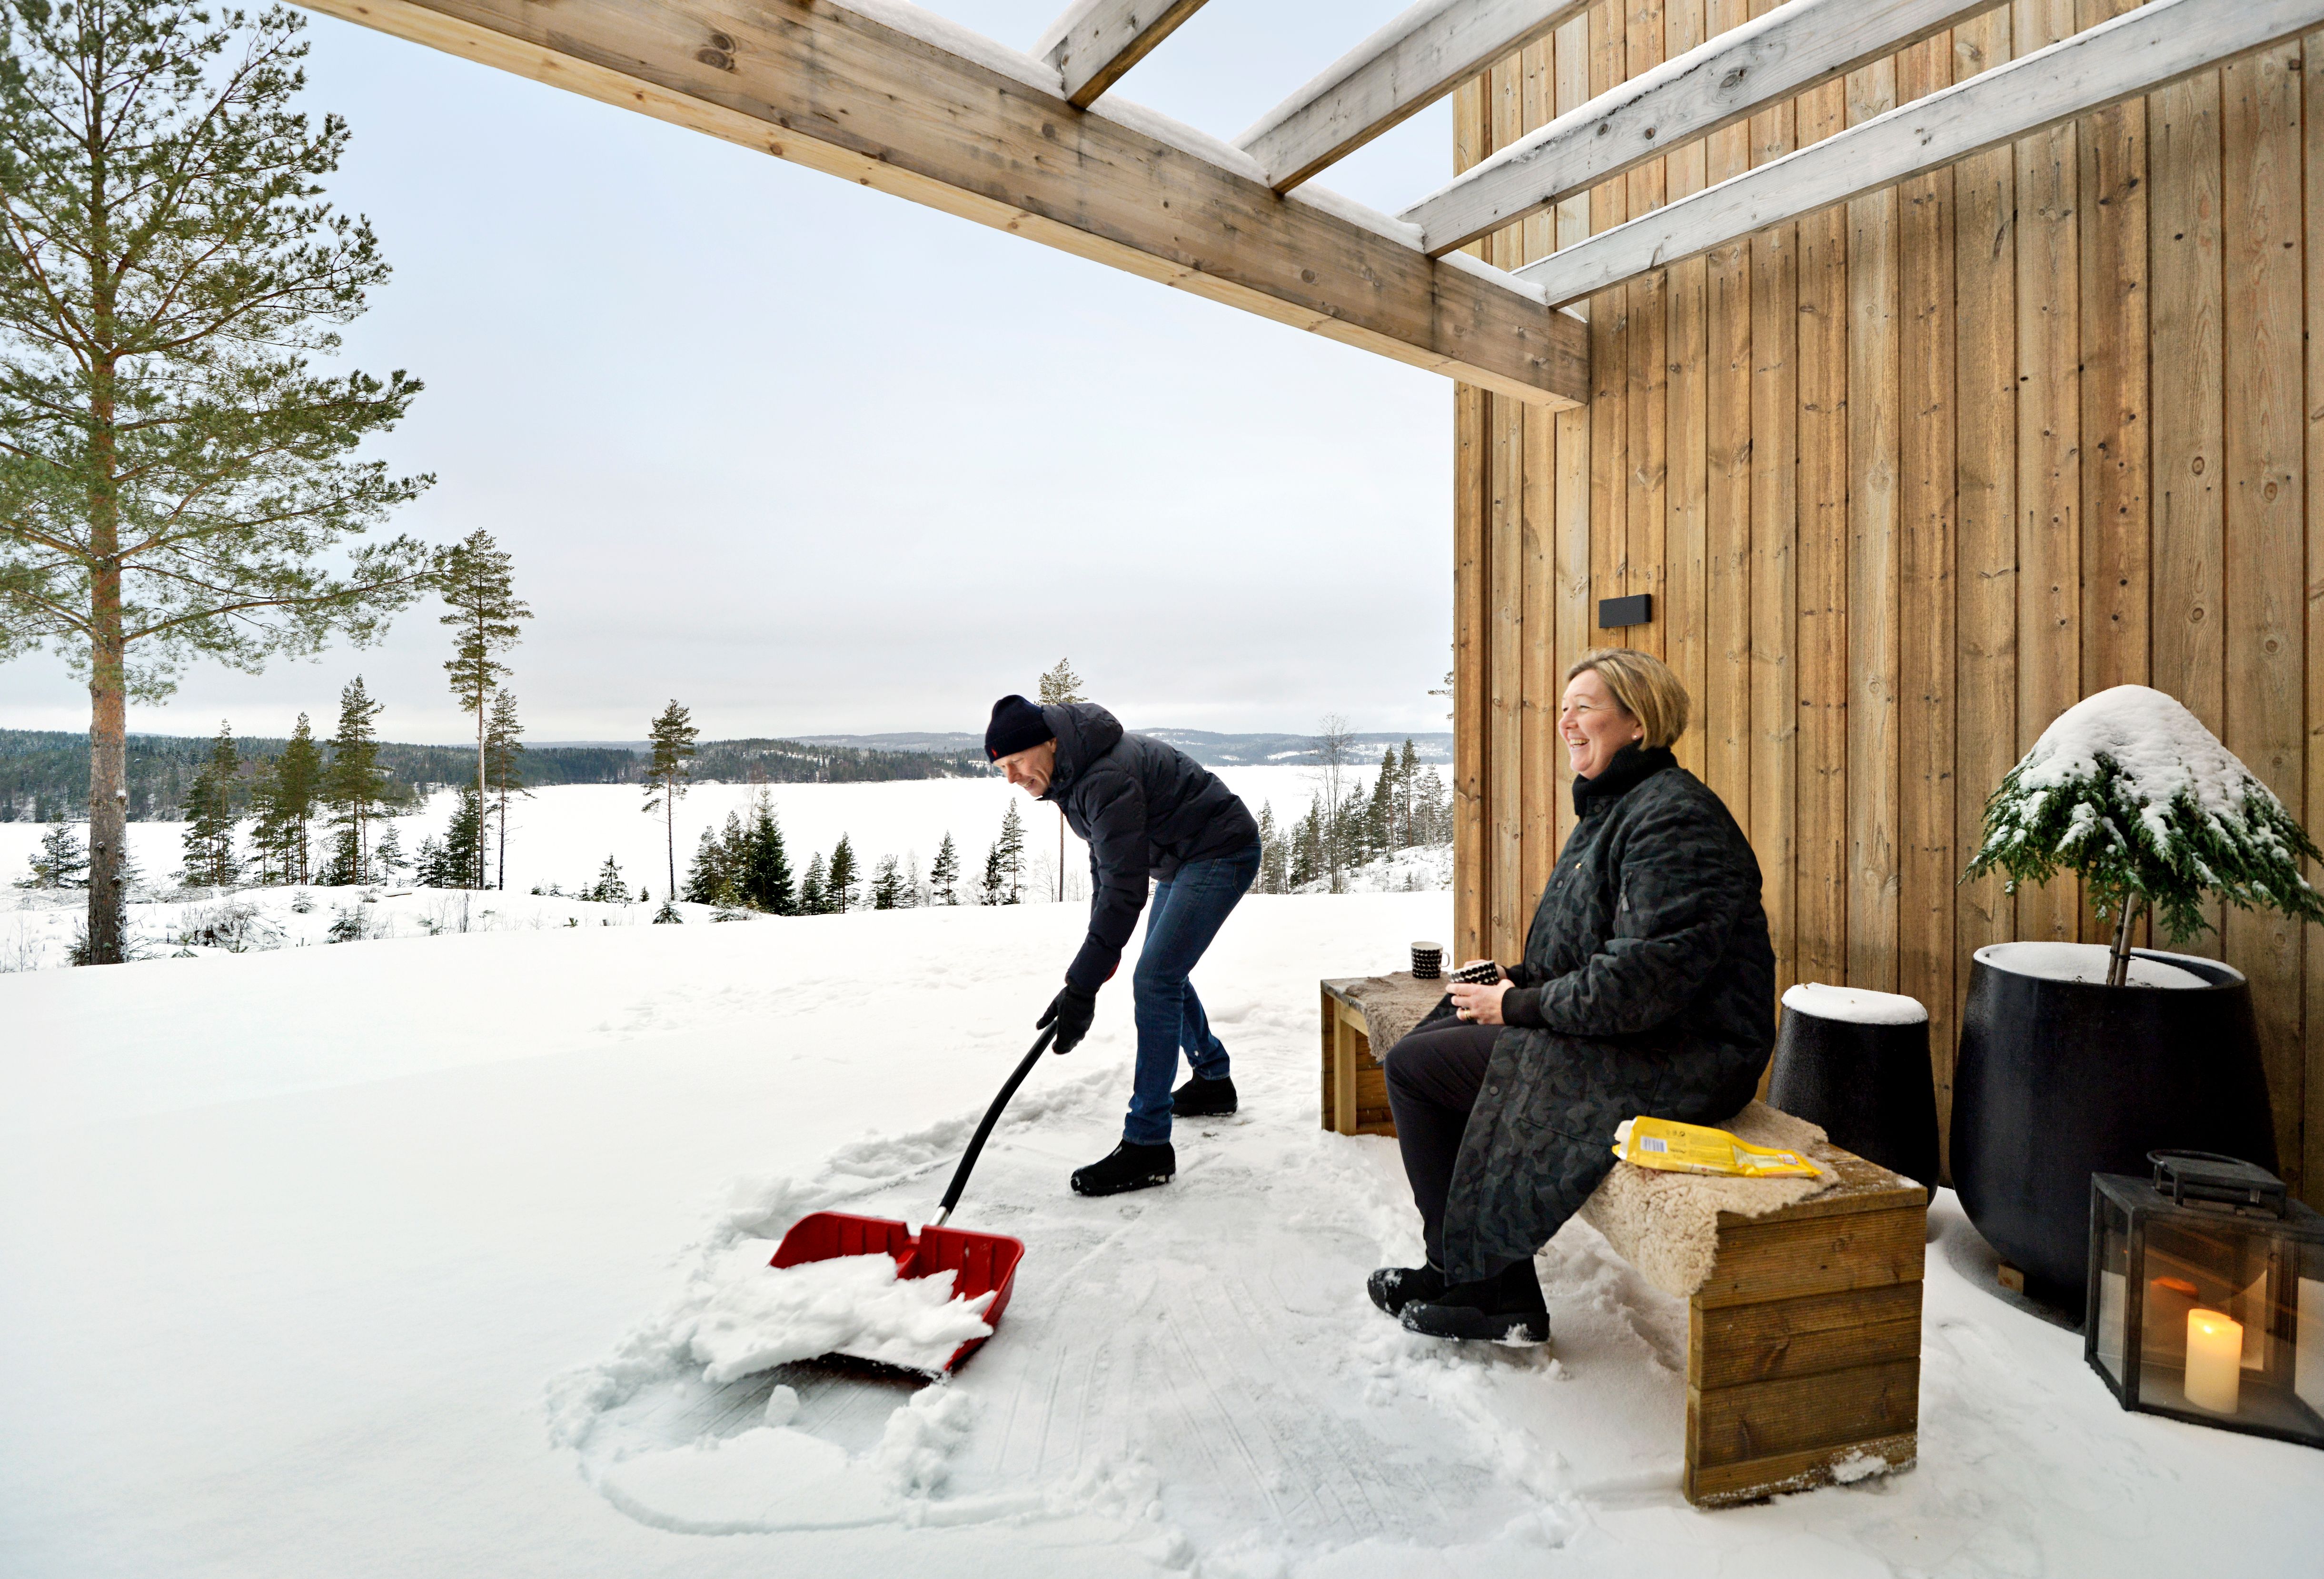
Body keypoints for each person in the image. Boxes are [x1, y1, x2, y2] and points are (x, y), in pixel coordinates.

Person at [1368, 648, 1775, 1344]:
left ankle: (1484, 1286)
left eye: (1584, 706)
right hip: (1636, 1033)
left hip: (1685, 1053)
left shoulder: (1674, 819)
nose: (1566, 722)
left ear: (1638, 721)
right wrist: (1511, 982)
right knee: (1426, 1043)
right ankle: (1476, 1274)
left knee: (1419, 1071)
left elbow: (1644, 979)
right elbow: (1579, 957)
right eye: (1563, 708)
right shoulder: (1615, 811)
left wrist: (1517, 1007)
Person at [984, 693, 1261, 1196]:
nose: (1012, 778)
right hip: (1183, 858)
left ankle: (1148, 1147)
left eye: (1017, 761)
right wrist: (1086, 971)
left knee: (1156, 979)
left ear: (1049, 742)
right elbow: (1105, 873)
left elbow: (1124, 891)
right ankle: (1213, 1080)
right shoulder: (1072, 775)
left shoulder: (1103, 776)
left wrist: (1083, 983)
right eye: (1002, 768)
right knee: (1161, 970)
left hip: (1221, 850)